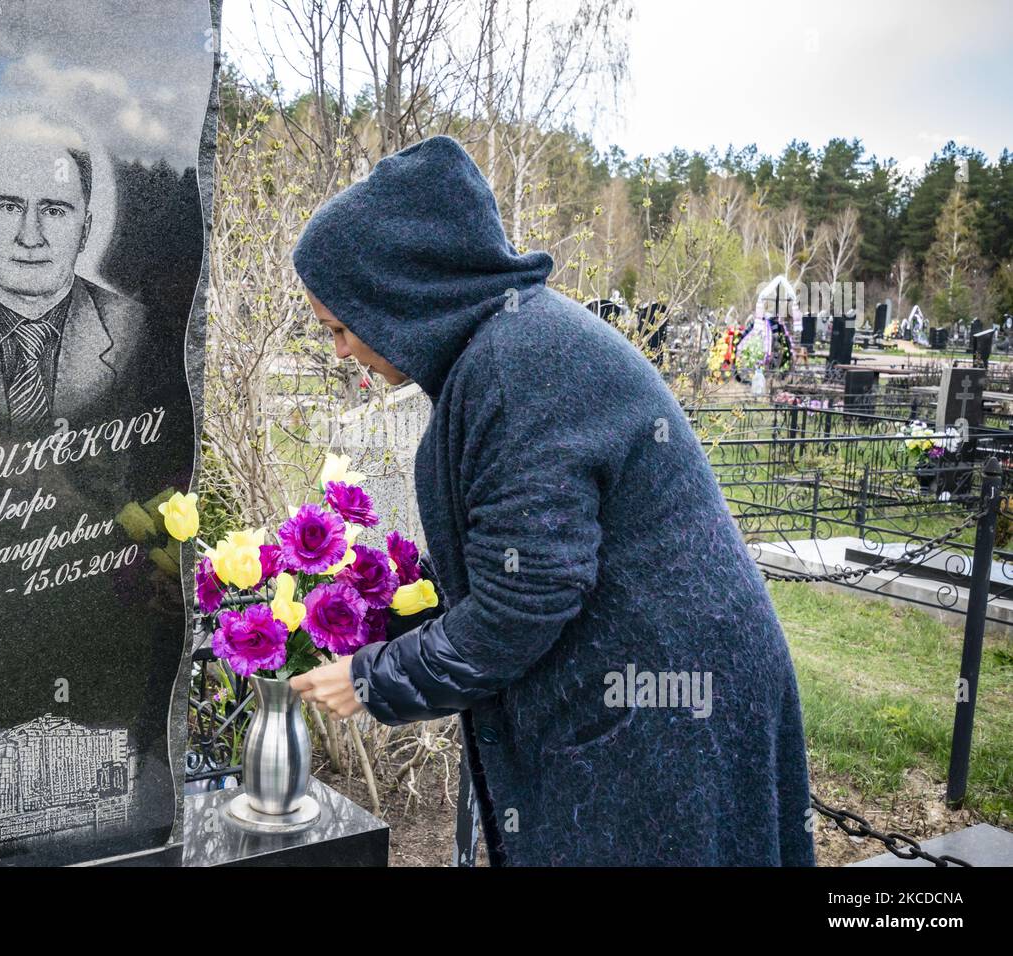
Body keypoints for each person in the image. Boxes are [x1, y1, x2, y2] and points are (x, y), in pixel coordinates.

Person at [288, 135, 816, 867]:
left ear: (399, 296)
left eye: (341, 327)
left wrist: (377, 679)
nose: (342, 350)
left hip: (662, 709)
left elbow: (523, 601)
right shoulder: (510, 343)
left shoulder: (518, 365)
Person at [0, 111, 149, 430]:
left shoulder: (131, 324)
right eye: (9, 207)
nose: (30, 237)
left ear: (85, 229)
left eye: (54, 210)